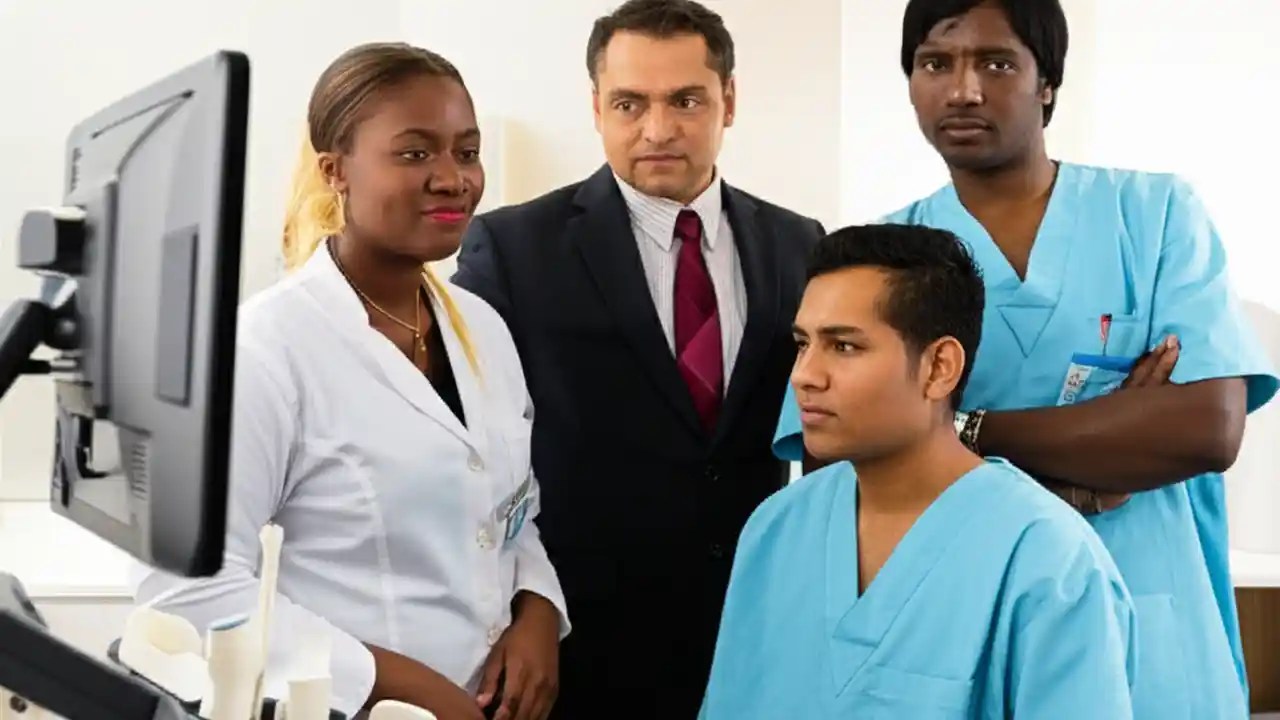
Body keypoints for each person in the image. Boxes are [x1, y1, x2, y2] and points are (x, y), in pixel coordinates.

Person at [774, 1, 1280, 717]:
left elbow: (1206, 430)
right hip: (958, 626)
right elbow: (841, 466)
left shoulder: (1154, 215)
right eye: (935, 63)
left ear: (1048, 82)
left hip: (1151, 643)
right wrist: (1102, 455)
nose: (963, 90)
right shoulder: (883, 256)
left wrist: (957, 430)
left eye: (996, 62)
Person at [130, 43, 568, 720]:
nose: (452, 178)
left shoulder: (482, 328)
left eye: (467, 152)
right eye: (415, 153)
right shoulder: (264, 349)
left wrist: (537, 606)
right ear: (334, 170)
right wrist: (403, 686)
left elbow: (510, 511)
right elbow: (185, 592)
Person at [451, 0, 826, 715]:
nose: (657, 129)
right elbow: (471, 458)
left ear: (729, 101)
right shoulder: (514, 249)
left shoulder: (797, 244)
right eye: (630, 103)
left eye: (686, 100)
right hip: (578, 646)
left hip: (753, 633)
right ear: (597, 107)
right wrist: (525, 602)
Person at [700, 224, 1136, 719]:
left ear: (939, 367)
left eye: (844, 346)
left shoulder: (1047, 560)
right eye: (803, 344)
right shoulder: (775, 529)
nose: (804, 375)